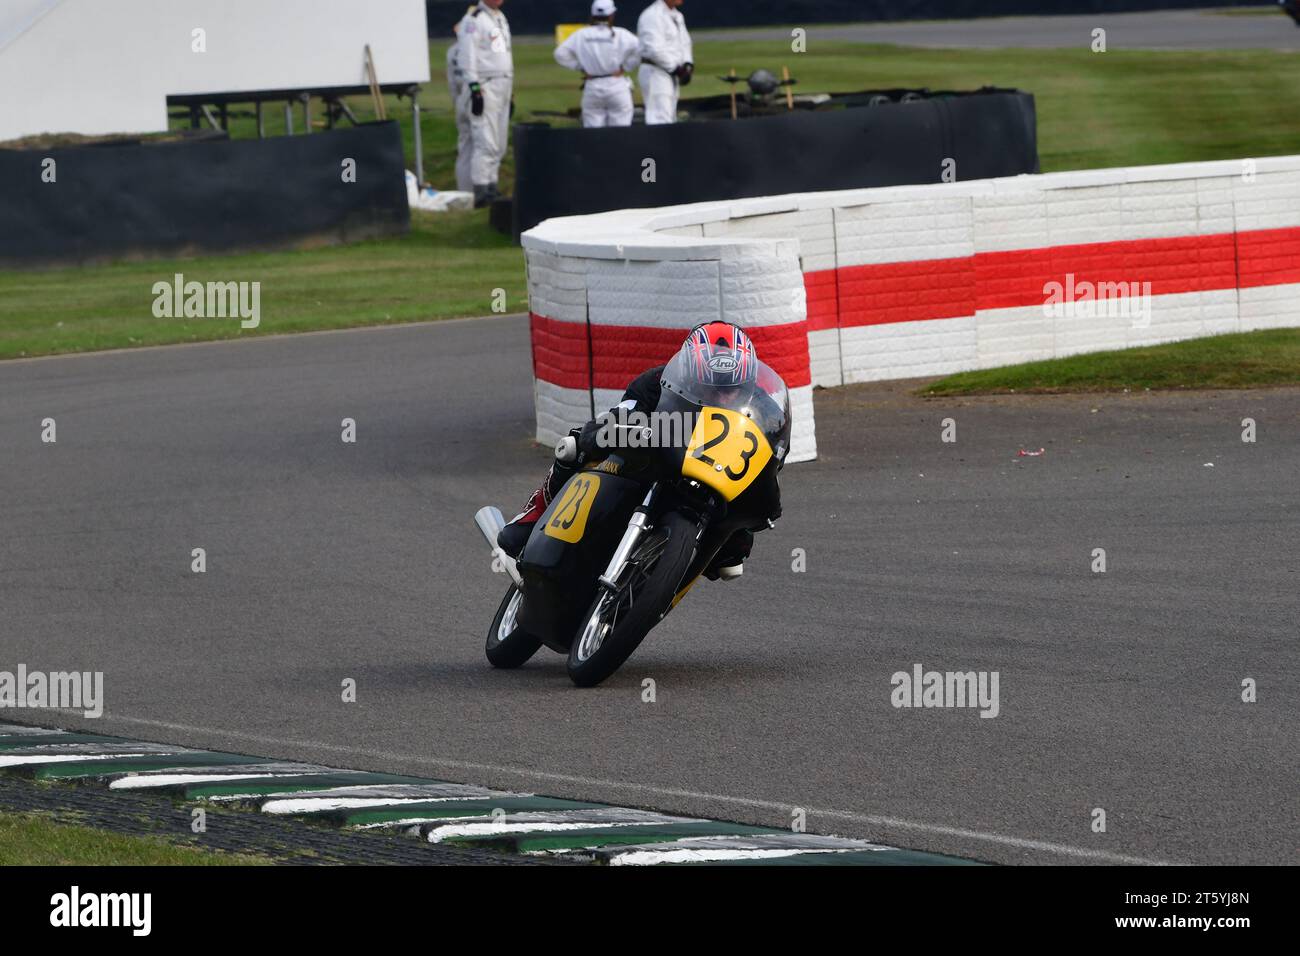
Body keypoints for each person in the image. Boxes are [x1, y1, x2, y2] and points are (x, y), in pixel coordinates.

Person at [498, 322, 780, 580]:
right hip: (656, 457)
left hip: (716, 479)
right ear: (689, 374)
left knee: (733, 559)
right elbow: (614, 419)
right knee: (573, 446)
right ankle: (533, 516)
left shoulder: (765, 407)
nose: (719, 397)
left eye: (728, 389)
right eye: (709, 387)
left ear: (746, 382)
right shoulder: (655, 383)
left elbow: (772, 461)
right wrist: (606, 433)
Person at [456, 0, 514, 207]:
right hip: (484, 84)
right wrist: (474, 88)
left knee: (499, 143)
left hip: (503, 83)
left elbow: (501, 53)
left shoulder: (499, 17)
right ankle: (481, 192)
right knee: (485, 142)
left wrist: (510, 90)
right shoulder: (474, 20)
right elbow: (467, 56)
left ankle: (492, 186)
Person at [554, 1, 641, 128]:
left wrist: (580, 67)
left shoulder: (581, 34)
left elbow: (560, 54)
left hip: (593, 86)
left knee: (593, 133)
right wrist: (626, 67)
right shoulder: (622, 34)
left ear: (593, 14)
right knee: (621, 133)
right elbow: (642, 50)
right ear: (612, 14)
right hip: (616, 85)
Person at [636, 0, 692, 125]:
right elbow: (654, 50)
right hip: (655, 73)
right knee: (659, 118)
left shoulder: (677, 15)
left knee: (669, 117)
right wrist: (677, 69)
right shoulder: (652, 15)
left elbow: (684, 41)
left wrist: (687, 64)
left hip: (671, 73)